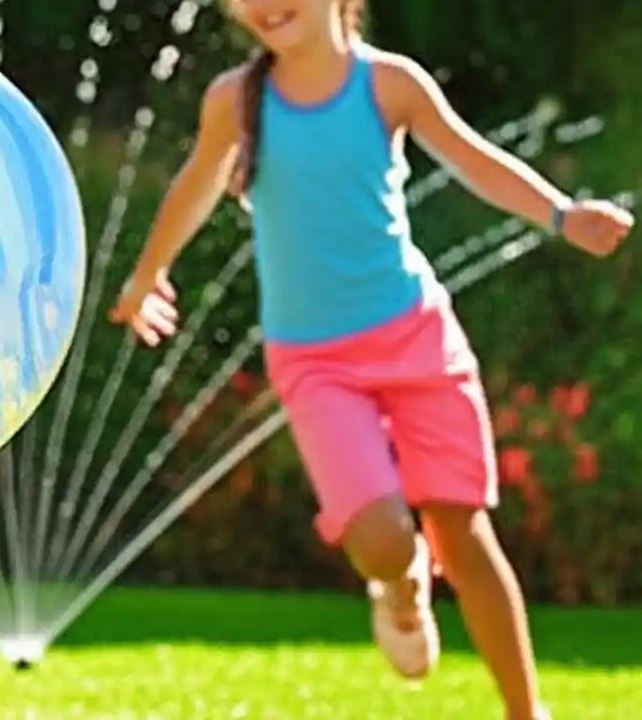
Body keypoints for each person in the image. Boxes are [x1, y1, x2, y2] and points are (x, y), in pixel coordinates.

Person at [109, 1, 633, 719]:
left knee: (462, 528)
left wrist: (561, 214)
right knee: (384, 540)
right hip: (314, 359)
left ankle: (525, 711)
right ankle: (400, 587)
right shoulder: (237, 100)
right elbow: (198, 182)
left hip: (415, 338)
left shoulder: (390, 85)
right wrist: (147, 275)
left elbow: (474, 158)